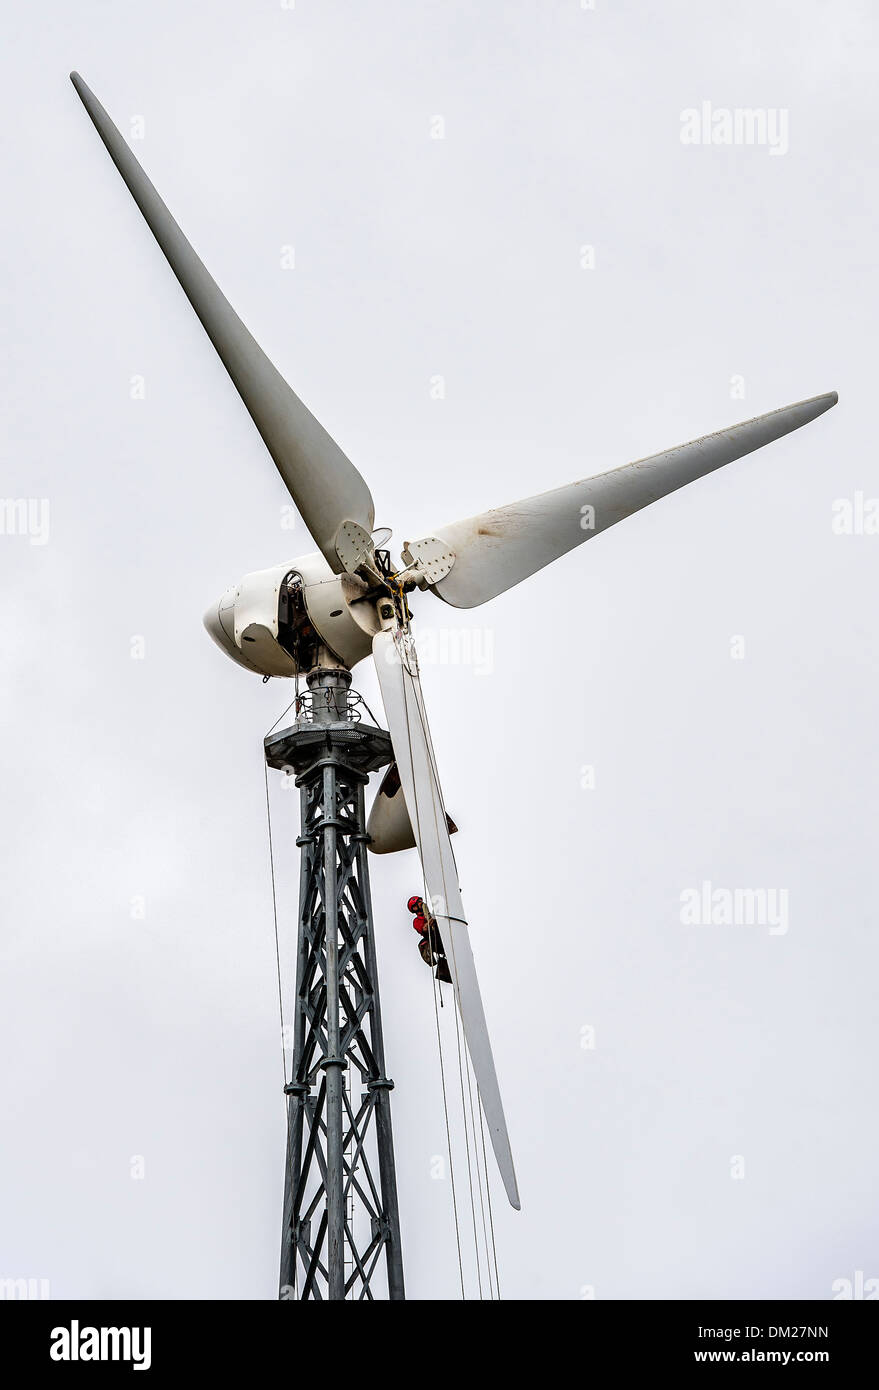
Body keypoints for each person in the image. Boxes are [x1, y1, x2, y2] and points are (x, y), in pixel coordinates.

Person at [406, 895, 452, 984]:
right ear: (415, 908)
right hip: (436, 942)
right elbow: (424, 929)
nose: (422, 903)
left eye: (421, 901)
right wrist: (430, 922)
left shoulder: (431, 914)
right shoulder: (417, 921)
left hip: (442, 936)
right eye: (419, 902)